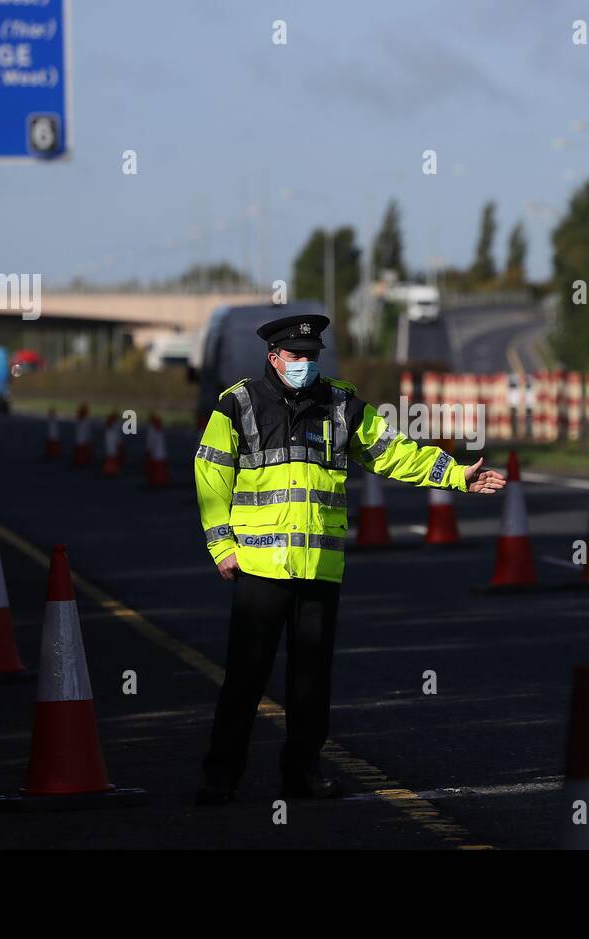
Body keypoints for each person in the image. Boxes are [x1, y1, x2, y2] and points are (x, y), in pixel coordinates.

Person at [193, 312, 505, 804]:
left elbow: (393, 452)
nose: (305, 364)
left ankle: (302, 776)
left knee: (310, 685)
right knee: (244, 680)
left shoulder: (342, 405)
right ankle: (220, 778)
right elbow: (211, 474)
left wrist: (455, 475)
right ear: (273, 357)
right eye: (296, 356)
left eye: (312, 356)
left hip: (319, 570)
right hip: (259, 570)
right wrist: (222, 546)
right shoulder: (239, 404)